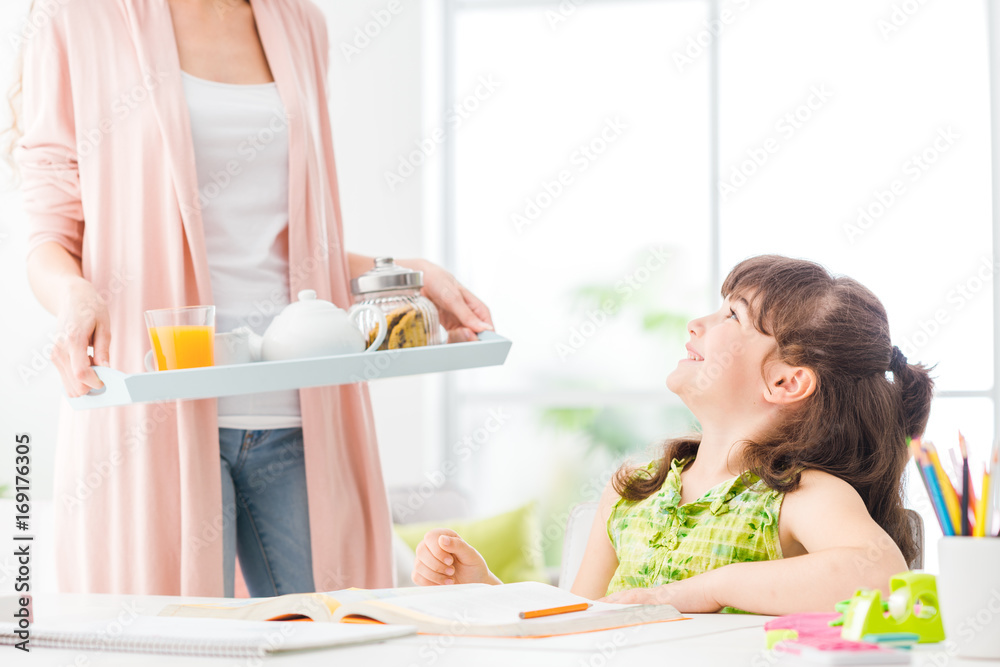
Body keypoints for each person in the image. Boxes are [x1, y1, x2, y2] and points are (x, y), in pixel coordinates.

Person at [10, 0, 492, 596]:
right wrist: (75, 295)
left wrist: (400, 277)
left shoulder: (299, 24)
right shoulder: (79, 19)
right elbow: (49, 238)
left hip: (300, 413)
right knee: (179, 649)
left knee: (337, 640)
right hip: (156, 407)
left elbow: (292, 251)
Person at [411, 255, 933, 615]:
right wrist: (485, 591)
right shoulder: (631, 492)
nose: (696, 323)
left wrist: (700, 592)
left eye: (733, 315)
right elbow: (578, 624)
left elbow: (884, 580)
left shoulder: (800, 494)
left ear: (784, 381)